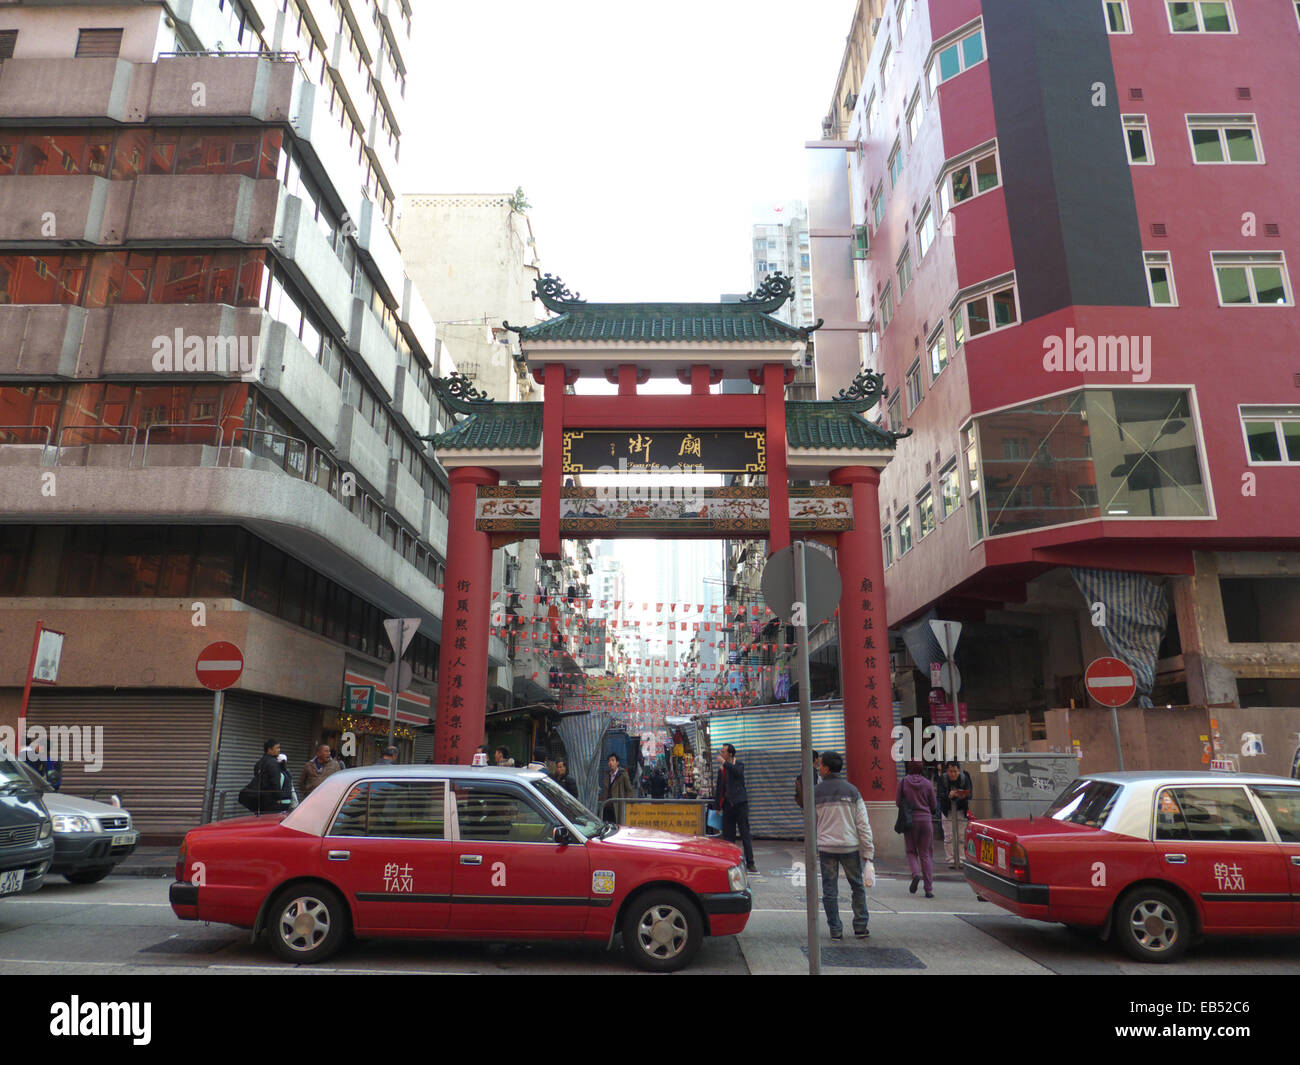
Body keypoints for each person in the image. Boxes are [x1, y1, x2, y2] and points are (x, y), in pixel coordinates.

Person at [813, 750, 874, 940]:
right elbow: (863, 824)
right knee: (857, 886)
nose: (818, 767)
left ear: (827, 768)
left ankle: (835, 930)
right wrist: (868, 853)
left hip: (826, 848)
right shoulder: (852, 791)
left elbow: (810, 823)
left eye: (821, 764)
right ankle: (860, 926)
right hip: (849, 846)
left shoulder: (816, 792)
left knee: (829, 890)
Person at [898, 759, 939, 897]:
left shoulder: (903, 782)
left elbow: (898, 802)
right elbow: (934, 805)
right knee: (925, 854)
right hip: (926, 821)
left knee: (911, 851)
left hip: (910, 821)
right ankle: (928, 889)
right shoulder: (927, 784)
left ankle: (916, 874)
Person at [715, 744, 757, 873]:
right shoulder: (721, 769)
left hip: (740, 805)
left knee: (745, 834)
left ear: (730, 754)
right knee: (729, 837)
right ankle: (730, 862)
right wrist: (718, 806)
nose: (721, 753)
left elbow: (737, 773)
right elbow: (719, 788)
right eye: (721, 751)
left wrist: (725, 764)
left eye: (724, 752)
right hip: (728, 805)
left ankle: (750, 862)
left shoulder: (739, 765)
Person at [937, 760, 974, 869]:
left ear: (959, 771)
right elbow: (940, 794)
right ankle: (951, 859)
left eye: (955, 771)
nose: (952, 774)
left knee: (962, 835)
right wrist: (948, 795)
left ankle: (962, 858)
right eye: (950, 771)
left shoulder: (964, 778)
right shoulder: (942, 780)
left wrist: (959, 794)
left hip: (961, 810)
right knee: (949, 836)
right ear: (947, 771)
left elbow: (970, 794)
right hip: (947, 811)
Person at [598, 753, 633, 823]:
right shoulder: (607, 775)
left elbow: (629, 790)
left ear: (617, 763)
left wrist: (625, 802)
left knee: (617, 824)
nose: (610, 763)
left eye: (613, 760)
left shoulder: (623, 774)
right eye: (609, 761)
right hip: (607, 806)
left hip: (617, 806)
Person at [254, 739, 284, 814]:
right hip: (271, 800)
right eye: (277, 748)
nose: (279, 750)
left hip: (259, 798)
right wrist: (278, 798)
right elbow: (275, 782)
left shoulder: (259, 762)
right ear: (269, 750)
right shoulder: (273, 763)